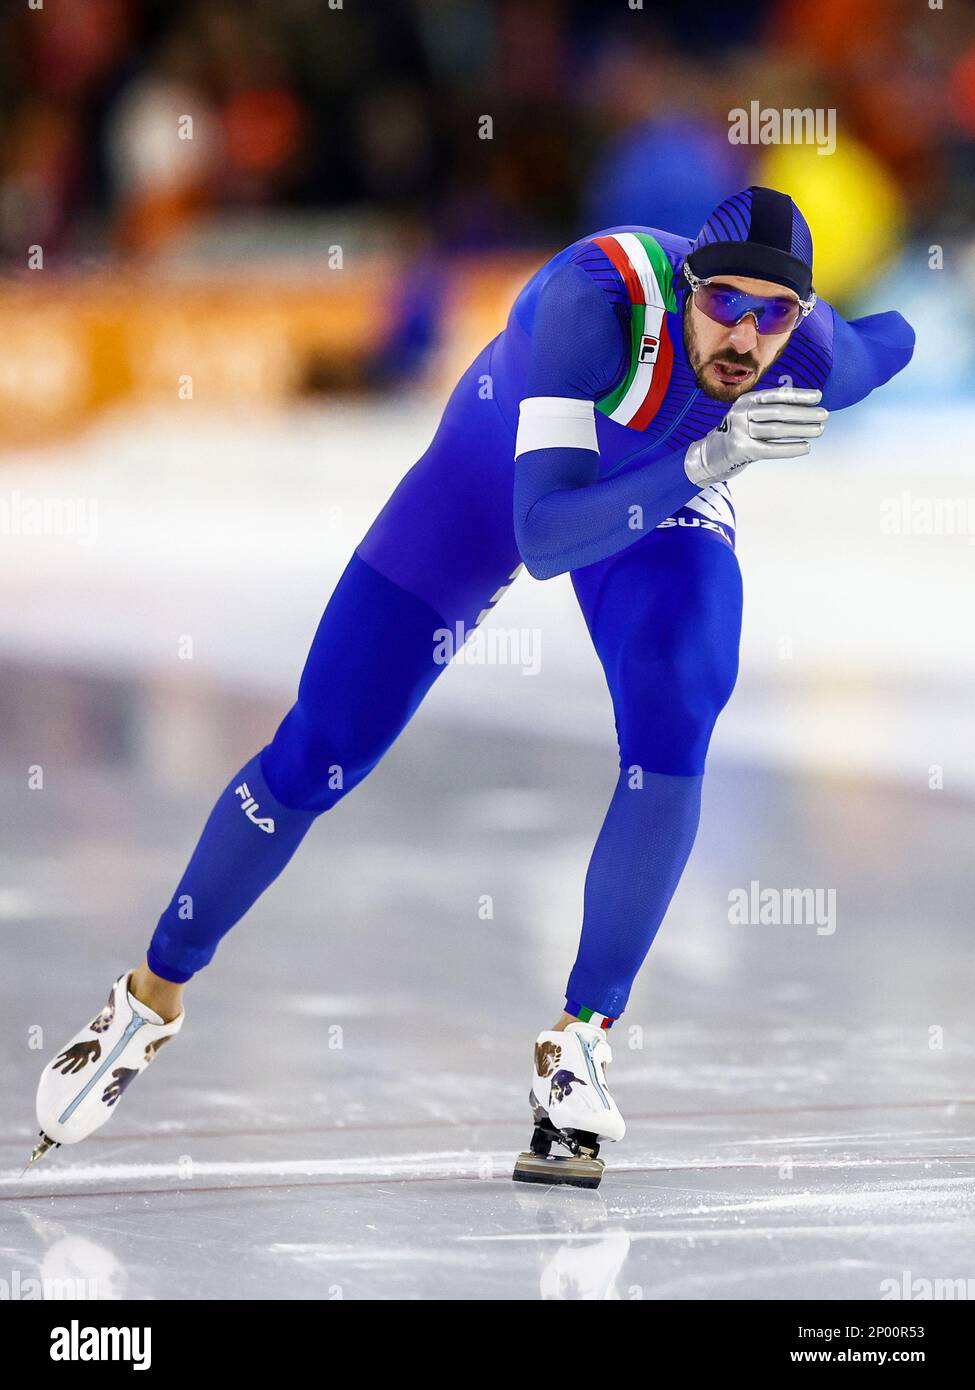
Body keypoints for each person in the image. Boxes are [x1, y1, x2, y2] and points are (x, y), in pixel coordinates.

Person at [30, 187, 914, 1186]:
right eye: (727, 307)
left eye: (775, 314)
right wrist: (711, 455)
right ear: (686, 288)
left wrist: (749, 427)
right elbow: (544, 538)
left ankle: (580, 1038)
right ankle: (150, 997)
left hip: (658, 505)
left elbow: (897, 334)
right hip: (492, 484)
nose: (747, 337)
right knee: (321, 748)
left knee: (681, 699)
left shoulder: (808, 352)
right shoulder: (599, 298)